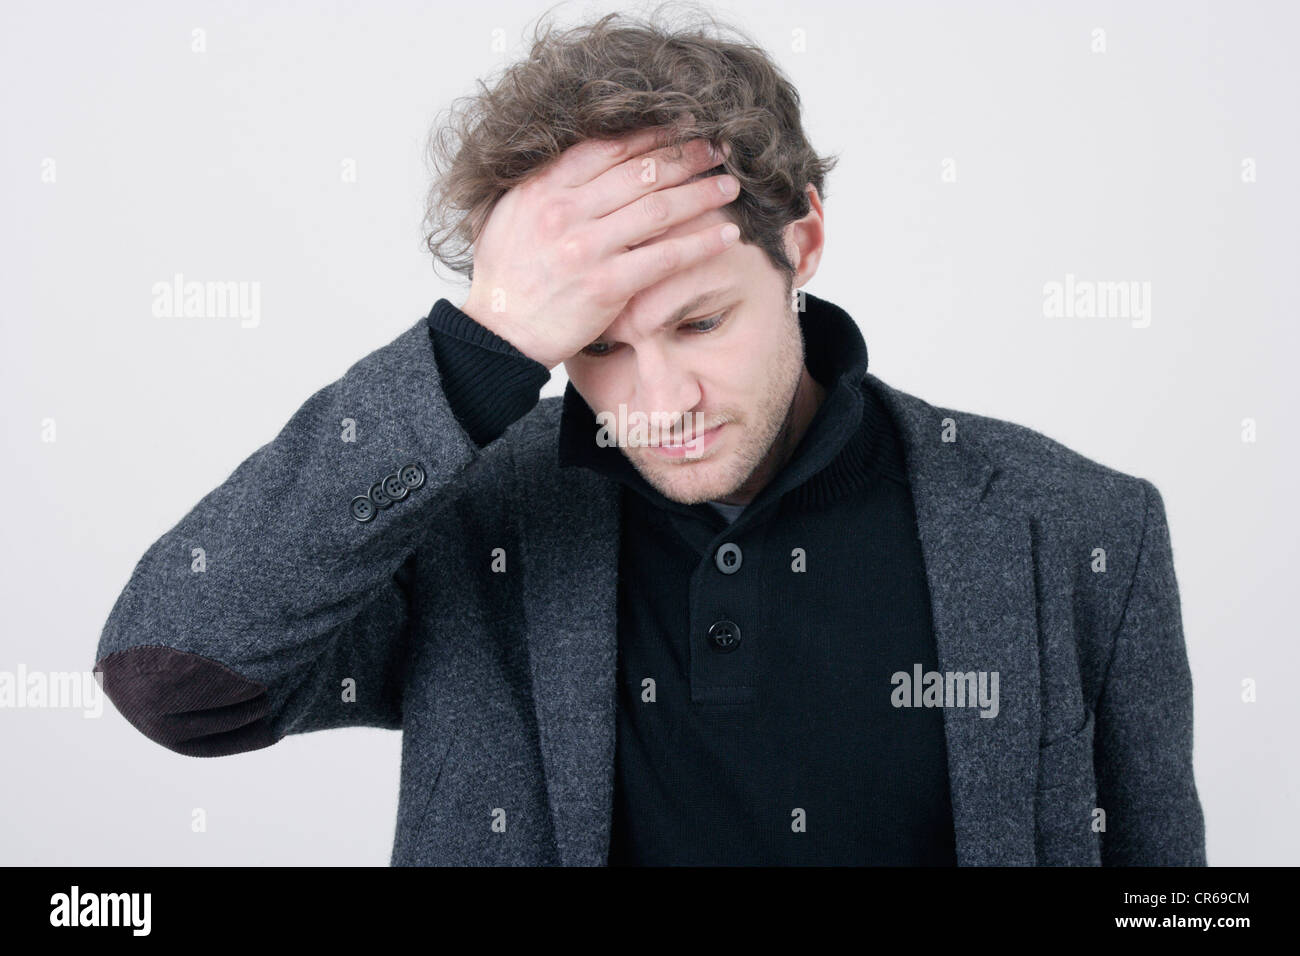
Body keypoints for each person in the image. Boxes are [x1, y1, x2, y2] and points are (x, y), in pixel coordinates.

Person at [94, 10, 1205, 866]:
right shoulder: (465, 519)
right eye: (597, 343)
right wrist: (473, 351)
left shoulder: (1076, 527)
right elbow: (173, 678)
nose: (658, 398)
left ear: (802, 241)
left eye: (700, 320)